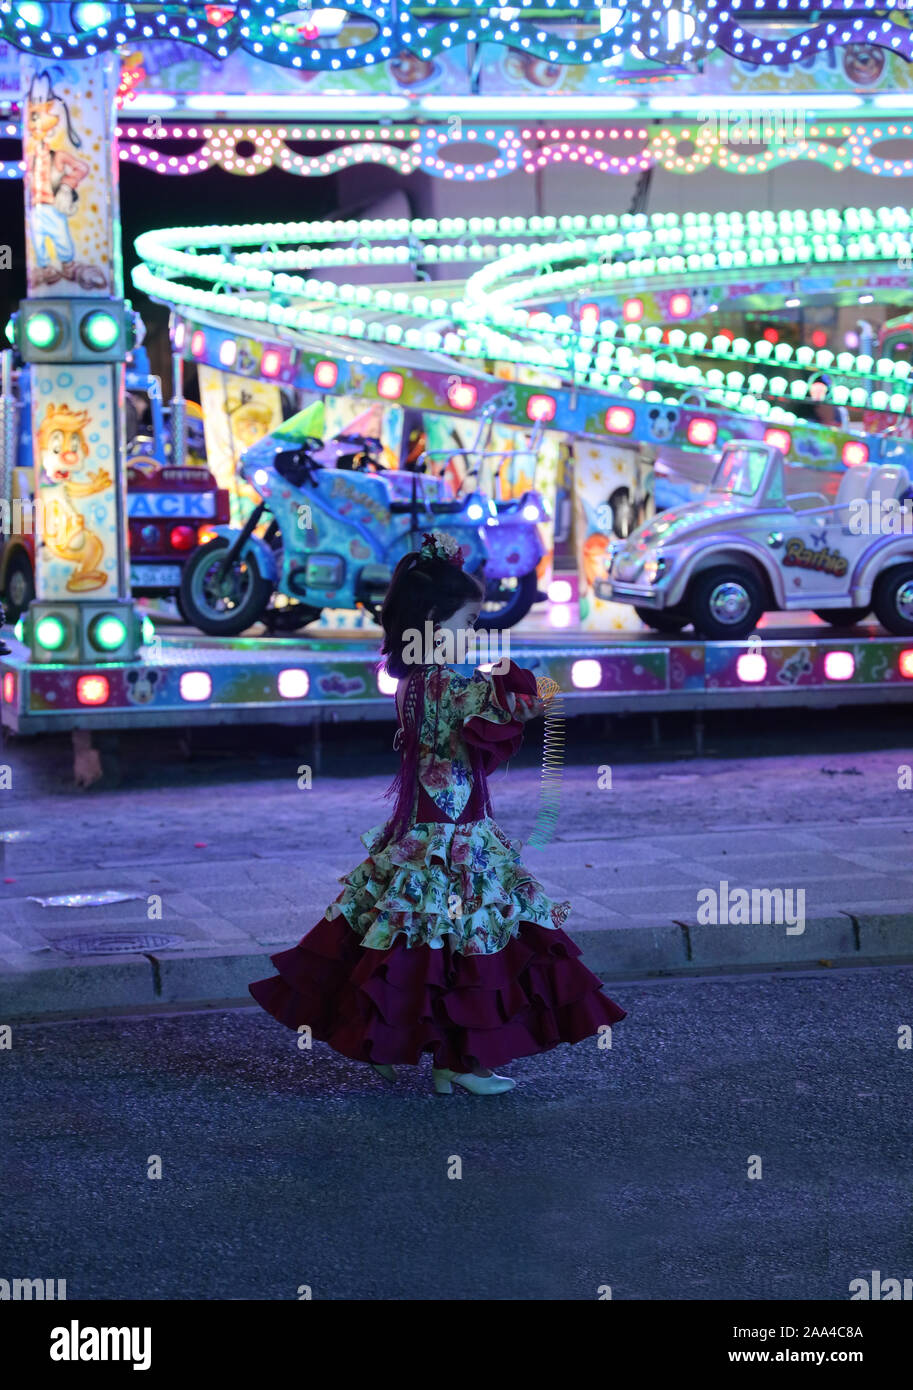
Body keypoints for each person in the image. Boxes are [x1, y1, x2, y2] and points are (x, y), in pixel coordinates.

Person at [249, 529, 626, 1095]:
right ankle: (461, 1063)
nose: (473, 636)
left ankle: (387, 1042)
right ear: (431, 620)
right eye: (467, 624)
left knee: (405, 947)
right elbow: (523, 702)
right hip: (456, 837)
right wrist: (533, 681)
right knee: (476, 949)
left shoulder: (413, 682)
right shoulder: (450, 684)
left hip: (424, 831)